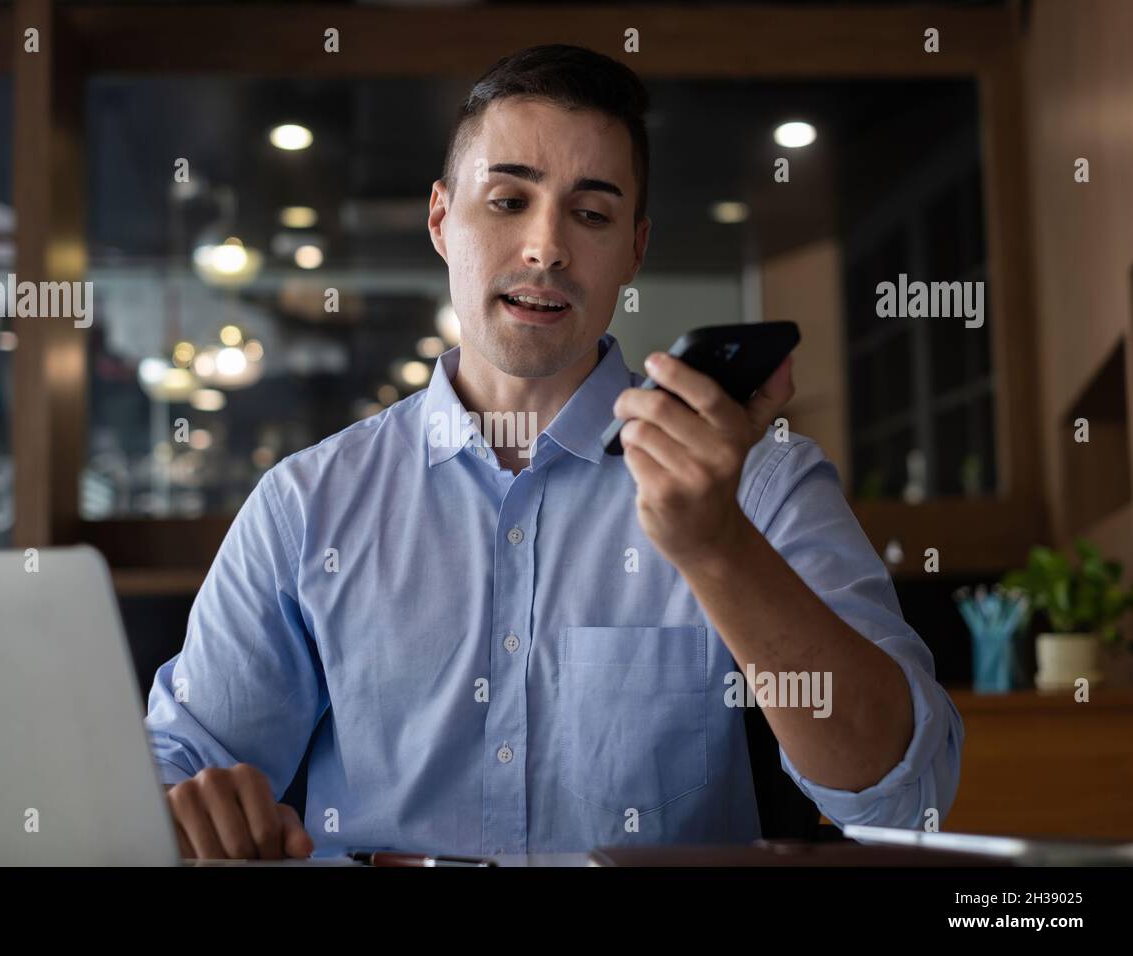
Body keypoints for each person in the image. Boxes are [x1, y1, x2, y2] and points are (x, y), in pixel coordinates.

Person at [145, 44, 963, 860]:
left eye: (592, 214)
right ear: (441, 219)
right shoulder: (306, 503)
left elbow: (901, 796)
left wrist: (717, 548)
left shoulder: (761, 484)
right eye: (507, 202)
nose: (547, 248)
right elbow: (183, 762)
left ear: (634, 249)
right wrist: (183, 809)